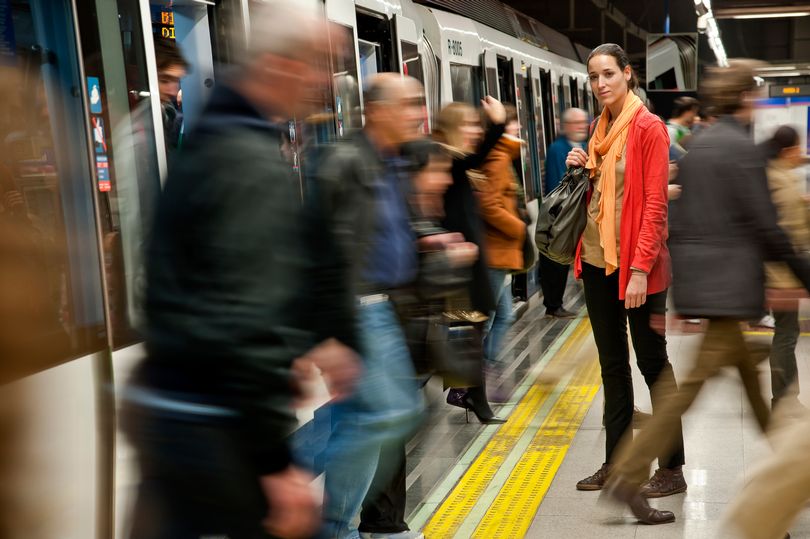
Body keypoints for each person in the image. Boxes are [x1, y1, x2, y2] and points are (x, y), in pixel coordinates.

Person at [123, 3, 360, 538]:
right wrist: (273, 462)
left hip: (174, 406)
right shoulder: (247, 161)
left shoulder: (218, 133)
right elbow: (242, 315)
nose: (325, 80)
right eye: (316, 63)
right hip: (211, 423)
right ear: (279, 65)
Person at [607, 59, 810, 526]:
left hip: (710, 286)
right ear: (743, 98)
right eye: (755, 94)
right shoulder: (738, 148)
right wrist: (802, 273)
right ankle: (628, 474)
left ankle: (786, 481)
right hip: (728, 289)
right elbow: (765, 227)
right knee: (691, 390)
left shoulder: (700, 148)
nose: (758, 102)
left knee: (753, 392)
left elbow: (683, 224)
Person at [565, 43, 686, 500]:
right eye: (594, 76)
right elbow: (602, 196)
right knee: (612, 366)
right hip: (597, 262)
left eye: (609, 74)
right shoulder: (600, 128)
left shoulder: (648, 127)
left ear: (628, 74)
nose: (600, 84)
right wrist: (581, 166)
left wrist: (638, 270)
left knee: (653, 364)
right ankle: (616, 463)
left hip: (638, 269)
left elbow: (654, 206)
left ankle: (672, 467)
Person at [315, 74, 431, 539]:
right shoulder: (345, 162)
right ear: (379, 110)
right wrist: (332, 331)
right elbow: (325, 249)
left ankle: (338, 527)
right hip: (360, 309)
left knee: (364, 418)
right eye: (409, 105)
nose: (418, 114)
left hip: (386, 306)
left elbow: (389, 231)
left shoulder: (391, 163)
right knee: (391, 413)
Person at [435, 98, 508, 423]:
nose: (472, 131)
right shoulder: (445, 160)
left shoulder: (455, 161)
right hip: (458, 264)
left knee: (475, 328)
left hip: (469, 259)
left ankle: (471, 395)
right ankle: (470, 396)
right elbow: (478, 155)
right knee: (470, 330)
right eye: (466, 125)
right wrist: (498, 125)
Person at [759, 126, 810, 407]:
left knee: (786, 334)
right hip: (782, 276)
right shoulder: (781, 181)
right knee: (786, 335)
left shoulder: (774, 173)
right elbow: (790, 233)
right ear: (788, 151)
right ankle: (784, 399)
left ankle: (786, 397)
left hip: (779, 272)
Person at [477, 104, 525, 366]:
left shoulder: (503, 156)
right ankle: (472, 382)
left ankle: (484, 373)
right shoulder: (497, 158)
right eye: (512, 124)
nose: (517, 128)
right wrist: (517, 228)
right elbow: (488, 205)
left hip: (499, 251)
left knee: (503, 315)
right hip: (495, 249)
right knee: (488, 318)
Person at [540, 107, 589, 318]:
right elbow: (556, 184)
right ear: (566, 126)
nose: (581, 126)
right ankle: (553, 305)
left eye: (583, 122)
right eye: (576, 122)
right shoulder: (557, 149)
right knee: (556, 259)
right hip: (562, 214)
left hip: (579, 212)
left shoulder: (585, 144)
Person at [153, 38, 189, 152]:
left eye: (177, 81)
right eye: (164, 80)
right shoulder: (140, 125)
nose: (173, 92)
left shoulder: (168, 115)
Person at [666, 96, 700, 161]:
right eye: (695, 112)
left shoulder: (684, 130)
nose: (695, 116)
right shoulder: (670, 131)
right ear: (688, 112)